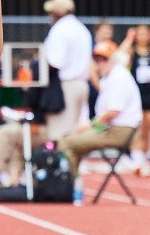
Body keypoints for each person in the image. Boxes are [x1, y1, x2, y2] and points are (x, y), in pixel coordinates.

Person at [57, 43, 141, 185]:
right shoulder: (110, 77)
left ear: (113, 59)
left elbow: (112, 112)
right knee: (70, 139)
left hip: (118, 131)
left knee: (65, 143)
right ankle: (70, 183)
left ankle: (72, 185)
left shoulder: (118, 77)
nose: (101, 63)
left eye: (104, 59)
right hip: (111, 128)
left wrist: (89, 126)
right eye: (97, 60)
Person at [117, 24, 150, 174]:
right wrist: (129, 39)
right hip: (136, 94)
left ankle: (144, 156)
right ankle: (136, 157)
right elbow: (118, 55)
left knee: (148, 127)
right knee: (138, 129)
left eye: (145, 34)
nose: (142, 37)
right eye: (139, 34)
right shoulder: (132, 53)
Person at [40, 0, 94, 135]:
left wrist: (37, 66)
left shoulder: (60, 29)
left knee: (62, 133)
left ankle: (63, 158)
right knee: (78, 132)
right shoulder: (82, 29)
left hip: (66, 85)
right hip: (82, 84)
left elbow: (55, 62)